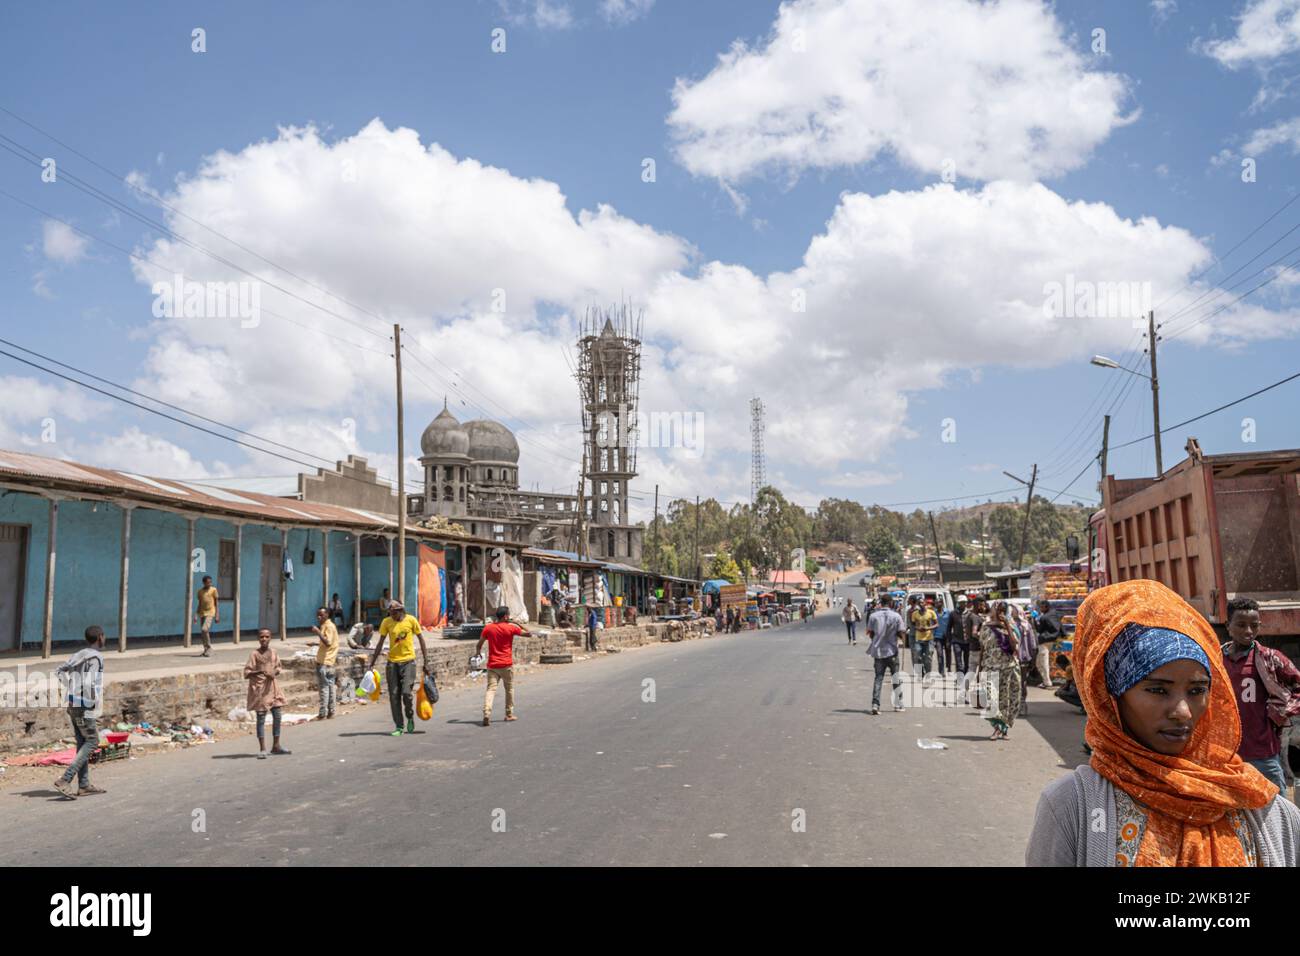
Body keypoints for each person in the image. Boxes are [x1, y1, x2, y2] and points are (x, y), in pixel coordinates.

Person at [1026, 580, 1300, 866]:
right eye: (1157, 690)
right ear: (1112, 697)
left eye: (1197, 690)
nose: (1182, 712)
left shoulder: (1263, 808)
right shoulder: (1072, 807)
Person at [1222, 597, 1300, 794]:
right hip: (1228, 754)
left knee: (1276, 805)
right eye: (1241, 625)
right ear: (1228, 626)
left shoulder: (1270, 659)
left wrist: (1283, 711)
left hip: (1263, 752)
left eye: (1254, 626)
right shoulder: (1216, 659)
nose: (1248, 631)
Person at [52, 625, 107, 799]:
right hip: (84, 705)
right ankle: (65, 779)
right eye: (103, 637)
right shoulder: (96, 658)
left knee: (82, 742)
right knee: (92, 741)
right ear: (99, 637)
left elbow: (59, 671)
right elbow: (90, 682)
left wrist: (70, 689)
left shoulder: (78, 654)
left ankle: (83, 785)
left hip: (73, 703)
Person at [368, 601, 430, 736]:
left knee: (407, 693)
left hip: (408, 662)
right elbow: (380, 642)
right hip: (392, 664)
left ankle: (409, 716)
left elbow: (421, 640)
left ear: (401, 611)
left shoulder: (411, 620)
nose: (391, 615)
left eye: (394, 613)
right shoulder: (386, 622)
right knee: (394, 695)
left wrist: (426, 661)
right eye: (390, 613)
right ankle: (399, 726)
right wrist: (372, 661)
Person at [475, 606, 533, 726]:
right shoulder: (511, 628)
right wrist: (517, 622)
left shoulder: (488, 628)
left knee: (491, 689)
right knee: (509, 689)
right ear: (506, 616)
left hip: (492, 665)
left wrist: (478, 653)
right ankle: (509, 714)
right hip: (506, 664)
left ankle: (486, 712)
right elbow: (529, 633)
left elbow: (479, 644)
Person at [245, 628, 290, 758]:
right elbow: (247, 672)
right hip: (260, 690)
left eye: (267, 637)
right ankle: (262, 748)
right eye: (262, 637)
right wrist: (259, 672)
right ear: (258, 638)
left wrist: (273, 673)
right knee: (261, 718)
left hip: (273, 687)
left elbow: (278, 667)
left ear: (270, 638)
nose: (264, 639)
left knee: (277, 715)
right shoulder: (254, 654)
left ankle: (276, 745)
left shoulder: (274, 652)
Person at [979, 601, 1021, 740]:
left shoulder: (1013, 627)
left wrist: (1007, 625)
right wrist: (979, 671)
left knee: (1007, 700)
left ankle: (1003, 729)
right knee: (992, 699)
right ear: (992, 612)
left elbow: (1015, 647)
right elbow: (983, 650)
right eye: (998, 610)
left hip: (1008, 668)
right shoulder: (986, 628)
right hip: (990, 667)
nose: (1000, 613)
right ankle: (996, 728)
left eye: (1003, 610)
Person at [865, 596, 906, 715]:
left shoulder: (873, 616)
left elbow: (871, 633)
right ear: (891, 602)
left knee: (878, 678)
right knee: (896, 678)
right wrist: (903, 641)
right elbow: (901, 632)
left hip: (878, 652)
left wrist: (877, 640)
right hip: (892, 651)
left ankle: (875, 704)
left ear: (881, 603)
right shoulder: (896, 616)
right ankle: (898, 704)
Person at [311, 607, 339, 719]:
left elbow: (328, 642)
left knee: (324, 688)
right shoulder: (327, 626)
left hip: (324, 662)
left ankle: (323, 713)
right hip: (330, 661)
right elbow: (327, 643)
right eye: (318, 615)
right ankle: (331, 712)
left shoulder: (329, 626)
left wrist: (318, 632)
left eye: (321, 615)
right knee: (330, 687)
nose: (319, 617)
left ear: (327, 615)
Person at [1033, 599, 1062, 689]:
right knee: (1039, 662)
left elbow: (1039, 630)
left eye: (1042, 607)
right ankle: (1045, 680)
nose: (1040, 609)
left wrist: (1034, 619)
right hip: (1053, 639)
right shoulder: (1054, 614)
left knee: (1043, 662)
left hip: (1044, 641)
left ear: (1046, 607)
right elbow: (1060, 625)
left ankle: (1047, 682)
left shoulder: (1044, 618)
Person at [910, 599, 937, 678]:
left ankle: (928, 673)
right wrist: (917, 628)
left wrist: (928, 628)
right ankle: (920, 672)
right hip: (918, 638)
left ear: (925, 603)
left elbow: (936, 624)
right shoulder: (914, 614)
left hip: (929, 638)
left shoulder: (931, 613)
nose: (921, 604)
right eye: (919, 603)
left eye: (922, 603)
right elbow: (913, 624)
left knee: (928, 658)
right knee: (917, 656)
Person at [195, 575, 219, 657]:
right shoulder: (200, 592)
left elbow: (216, 603)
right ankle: (206, 650)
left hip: (211, 612)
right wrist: (196, 615)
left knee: (204, 629)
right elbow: (200, 604)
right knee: (203, 632)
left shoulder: (213, 590)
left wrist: (217, 615)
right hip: (202, 613)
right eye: (208, 582)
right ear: (204, 583)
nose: (209, 584)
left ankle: (209, 648)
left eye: (210, 582)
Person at [949, 598, 969, 675]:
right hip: (956, 640)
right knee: (958, 660)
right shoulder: (953, 614)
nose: (962, 604)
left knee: (966, 660)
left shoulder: (969, 614)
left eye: (964, 602)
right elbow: (949, 628)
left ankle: (966, 675)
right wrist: (949, 640)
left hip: (967, 641)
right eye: (961, 603)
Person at [932, 602, 951, 677]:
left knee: (948, 652)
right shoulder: (934, 613)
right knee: (940, 654)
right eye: (937, 604)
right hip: (937, 636)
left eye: (939, 603)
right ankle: (941, 670)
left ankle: (948, 667)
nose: (938, 605)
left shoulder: (948, 612)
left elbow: (951, 622)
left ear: (942, 604)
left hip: (947, 636)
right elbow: (932, 623)